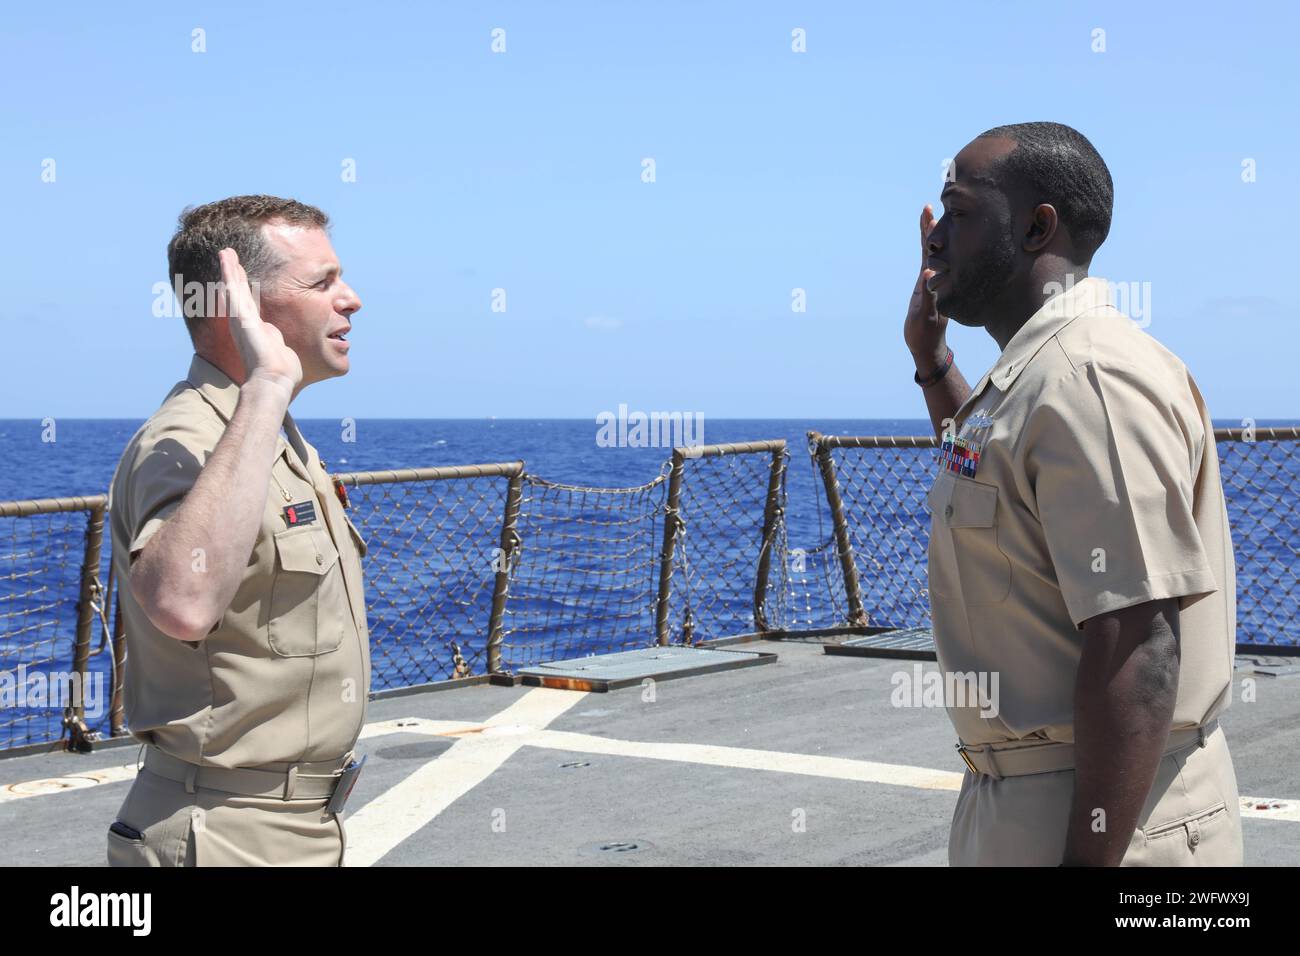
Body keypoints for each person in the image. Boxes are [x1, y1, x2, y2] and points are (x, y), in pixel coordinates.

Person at [903, 123, 1242, 866]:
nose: (933, 240)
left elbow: (1137, 645)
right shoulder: (1038, 378)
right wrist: (934, 365)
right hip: (1030, 801)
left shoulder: (1087, 378)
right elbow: (984, 467)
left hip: (1106, 820)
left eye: (957, 213)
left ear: (1036, 227)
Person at [106, 195, 370, 866]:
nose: (352, 299)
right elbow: (182, 602)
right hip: (222, 834)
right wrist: (266, 387)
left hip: (288, 829)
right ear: (237, 305)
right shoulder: (191, 438)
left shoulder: (270, 435)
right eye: (322, 282)